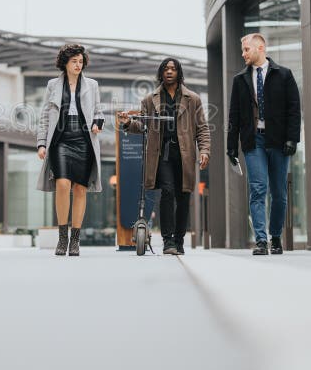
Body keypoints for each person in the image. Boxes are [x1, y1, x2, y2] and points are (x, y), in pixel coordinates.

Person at [117, 58, 210, 255]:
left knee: (183, 196)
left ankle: (179, 240)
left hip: (185, 154)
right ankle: (168, 241)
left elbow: (202, 129)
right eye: (166, 69)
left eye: (173, 68)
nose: (169, 72)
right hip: (162, 154)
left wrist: (204, 150)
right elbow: (142, 126)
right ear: (161, 73)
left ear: (178, 72)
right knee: (167, 192)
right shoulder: (150, 99)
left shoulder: (193, 99)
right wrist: (127, 123)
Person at [226, 33, 301, 255]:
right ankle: (260, 240)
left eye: (246, 49)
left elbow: (294, 110)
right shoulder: (240, 80)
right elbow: (234, 115)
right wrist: (231, 146)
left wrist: (292, 139)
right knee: (258, 189)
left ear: (260, 48)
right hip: (254, 140)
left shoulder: (284, 75)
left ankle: (275, 235)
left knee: (278, 193)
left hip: (279, 140)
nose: (243, 54)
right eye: (242, 50)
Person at [37, 44, 104, 256]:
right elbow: (45, 115)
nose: (78, 65)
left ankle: (75, 239)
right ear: (65, 62)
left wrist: (97, 123)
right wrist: (41, 143)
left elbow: (99, 111)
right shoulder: (52, 85)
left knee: (80, 189)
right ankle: (62, 236)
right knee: (63, 184)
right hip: (61, 138)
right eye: (74, 61)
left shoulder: (92, 85)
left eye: (81, 61)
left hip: (84, 139)